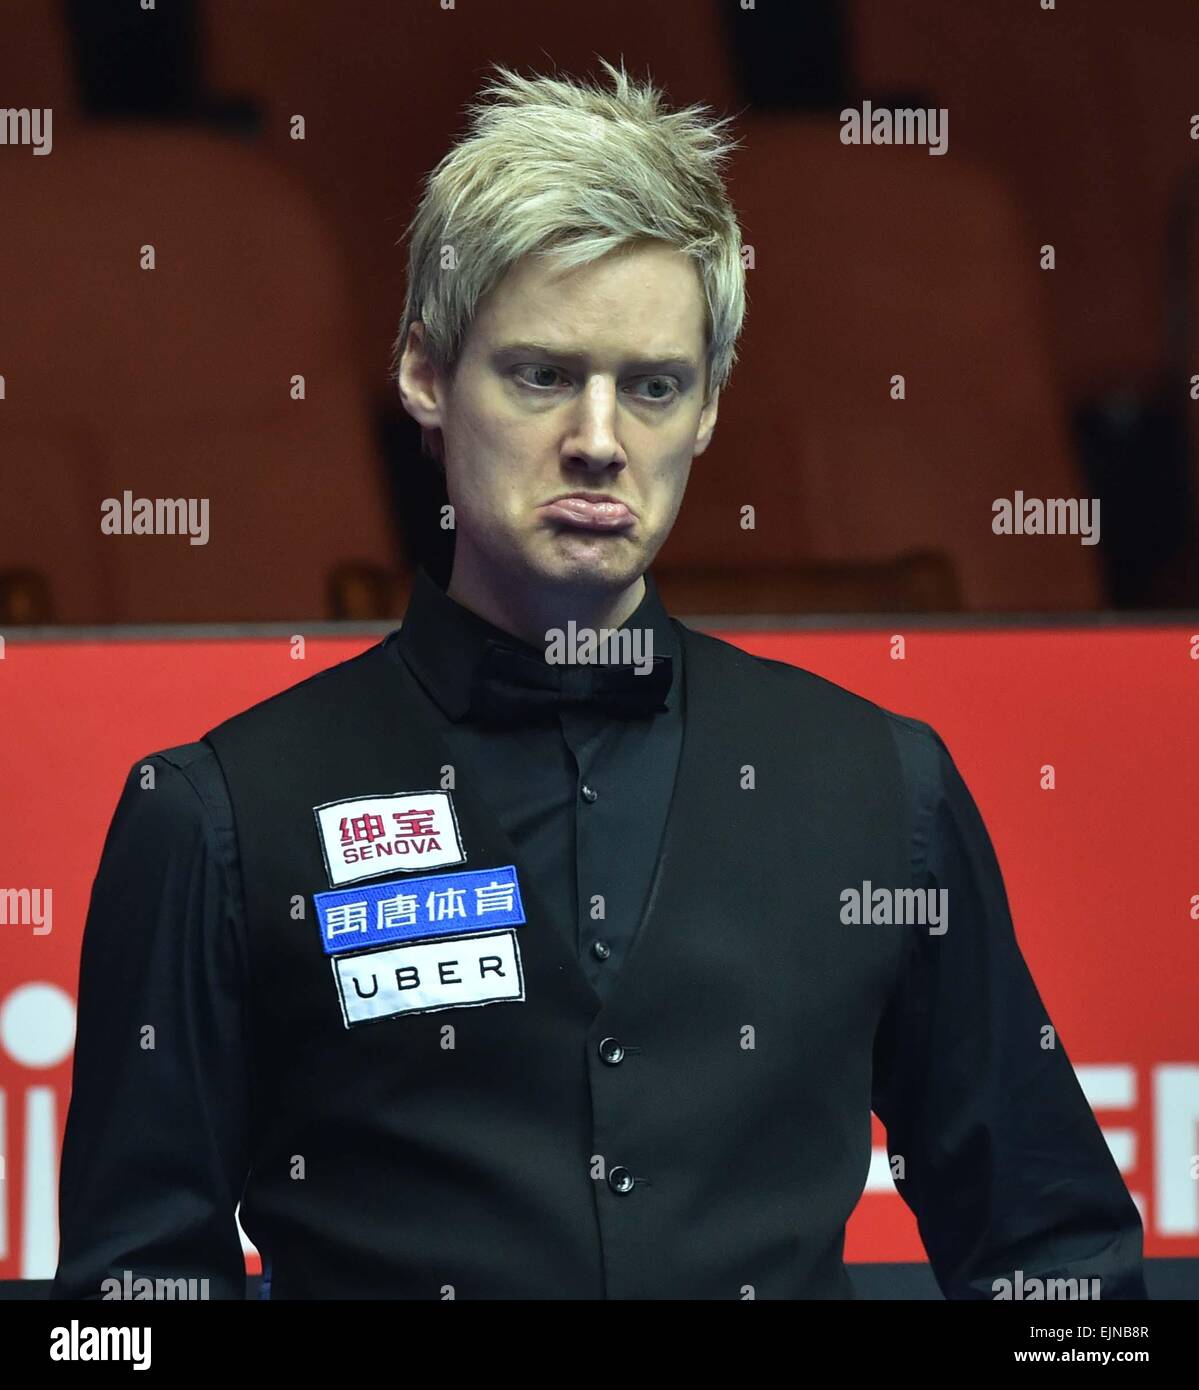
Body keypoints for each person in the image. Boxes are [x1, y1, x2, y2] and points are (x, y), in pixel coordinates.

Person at [52, 60, 1146, 1301]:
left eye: (651, 385)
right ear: (424, 372)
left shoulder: (877, 790)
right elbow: (124, 1312)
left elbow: (1055, 1255)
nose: (597, 437)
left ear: (709, 410)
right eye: (539, 373)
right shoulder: (217, 818)